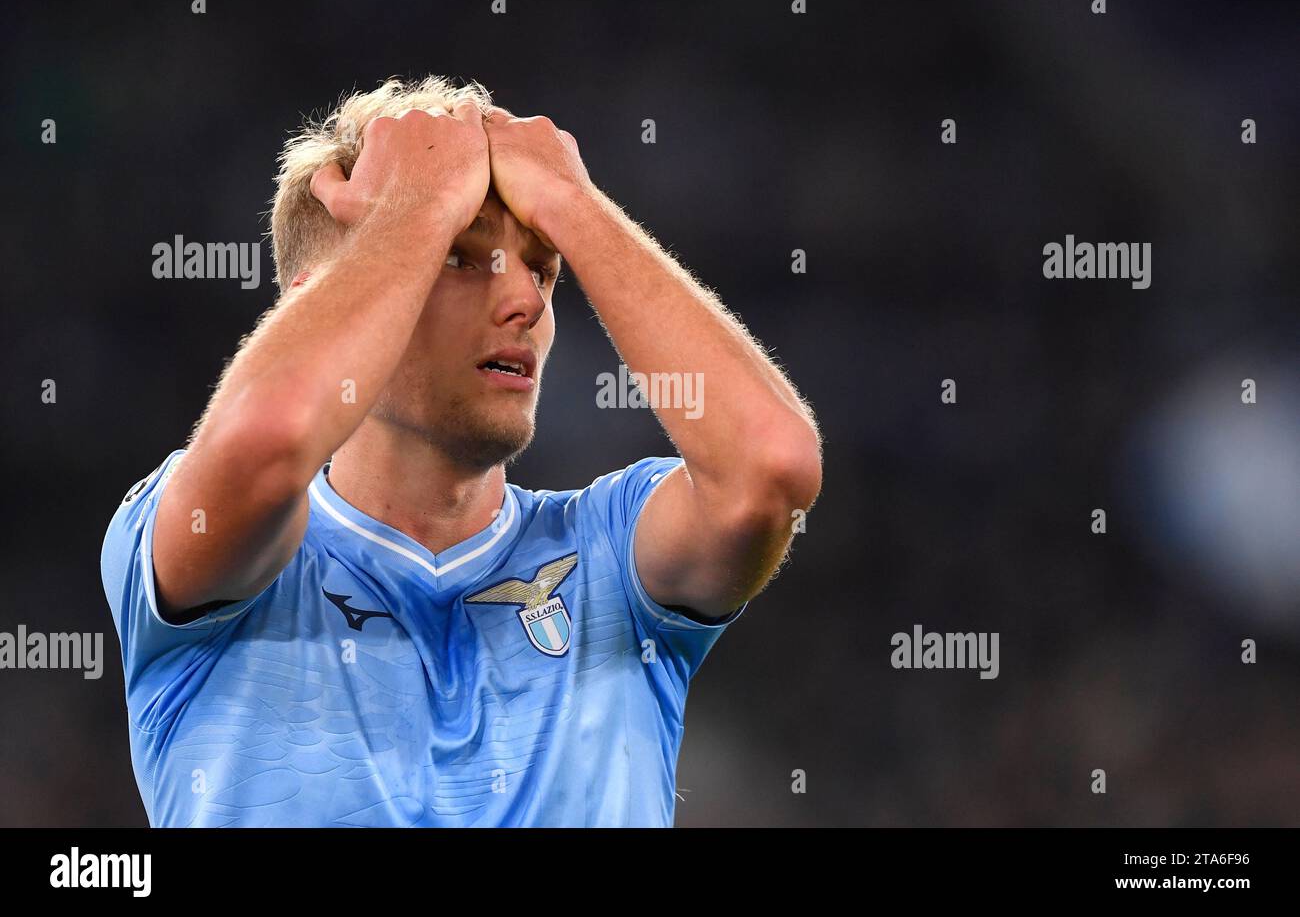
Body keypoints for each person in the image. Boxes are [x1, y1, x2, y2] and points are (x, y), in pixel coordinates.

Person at [101, 76, 822, 826]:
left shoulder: (609, 555)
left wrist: (574, 206)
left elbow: (770, 469)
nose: (526, 303)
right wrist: (416, 209)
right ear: (321, 299)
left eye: (541, 268)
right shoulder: (198, 545)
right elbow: (267, 441)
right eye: (458, 257)